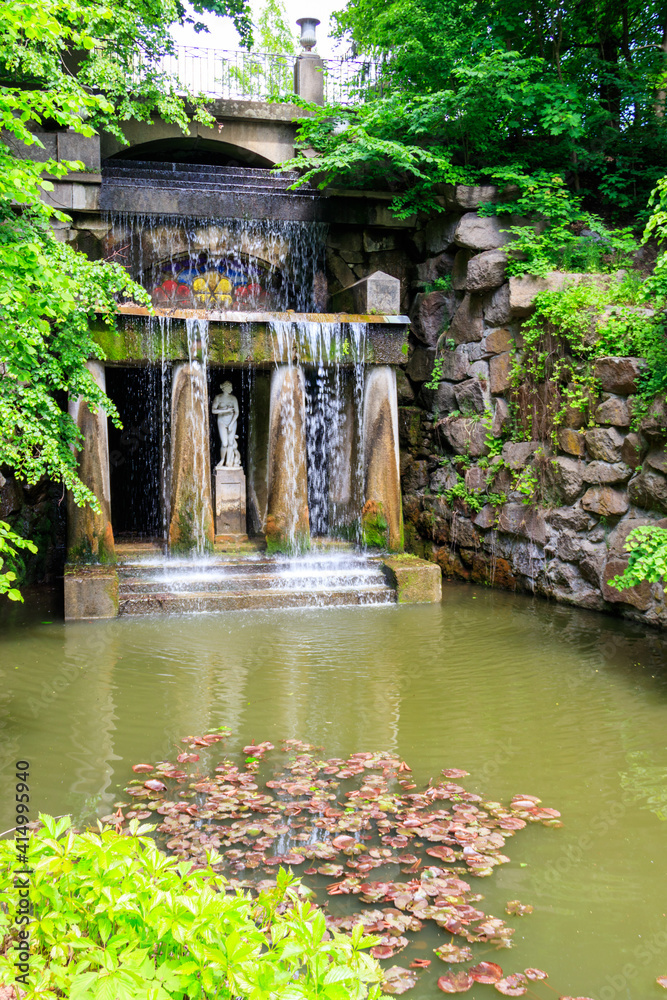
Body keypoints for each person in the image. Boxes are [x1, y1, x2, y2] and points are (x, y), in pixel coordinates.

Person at [211, 381, 241, 467]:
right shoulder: (218, 398)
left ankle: (228, 462)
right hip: (221, 421)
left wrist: (231, 424)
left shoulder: (233, 399)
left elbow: (237, 412)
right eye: (229, 387)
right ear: (224, 388)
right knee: (224, 443)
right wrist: (226, 410)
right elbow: (213, 410)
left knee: (230, 442)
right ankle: (222, 459)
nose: (231, 389)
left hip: (232, 420)